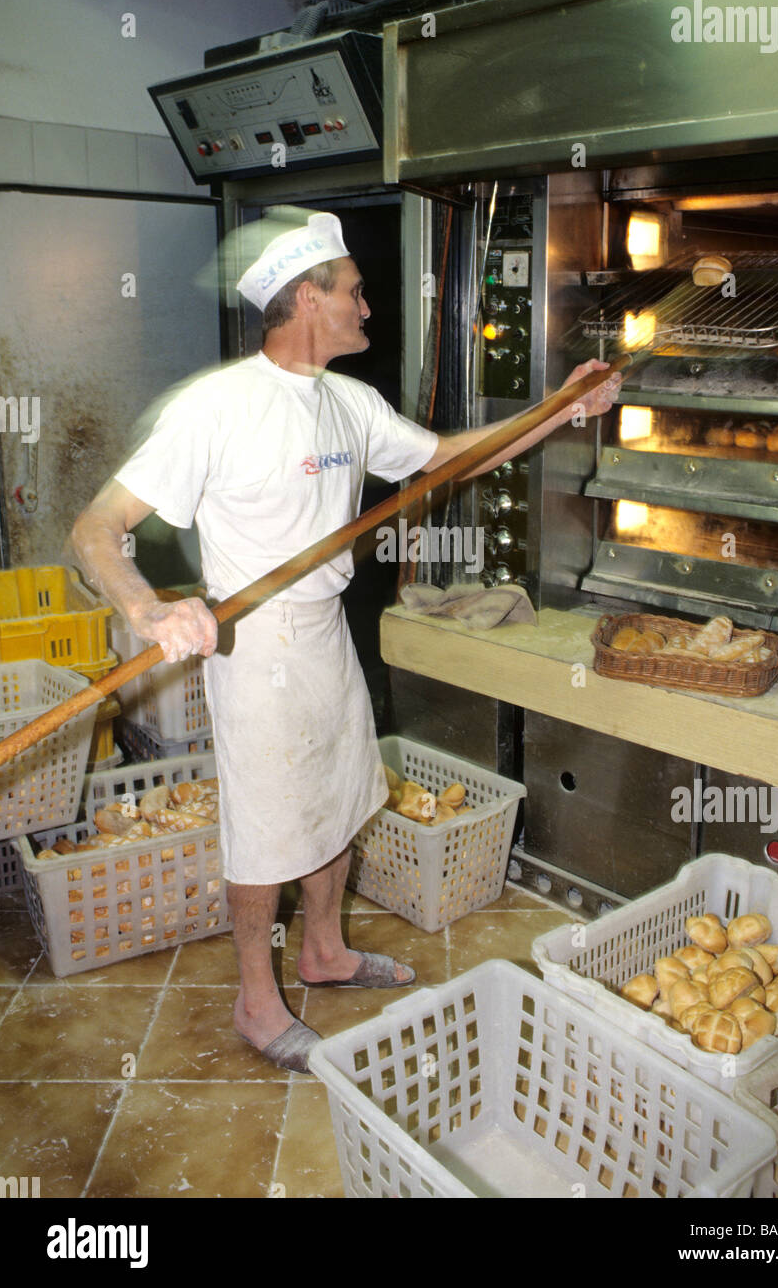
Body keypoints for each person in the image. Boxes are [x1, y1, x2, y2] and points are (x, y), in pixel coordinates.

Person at [71, 212, 621, 1072]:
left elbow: (444, 459)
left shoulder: (348, 402)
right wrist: (150, 611)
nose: (369, 305)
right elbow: (98, 527)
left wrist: (558, 410)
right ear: (305, 297)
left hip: (324, 634)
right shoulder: (216, 407)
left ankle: (324, 952)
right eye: (354, 290)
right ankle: (258, 1003)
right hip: (253, 647)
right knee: (266, 832)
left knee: (338, 800)